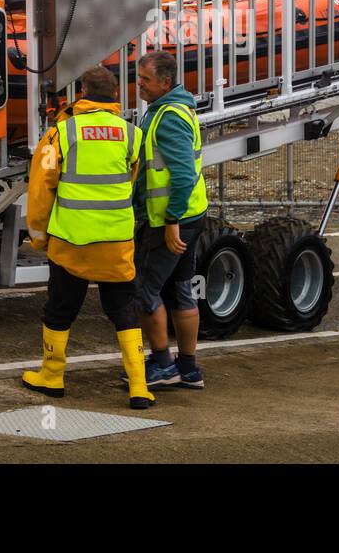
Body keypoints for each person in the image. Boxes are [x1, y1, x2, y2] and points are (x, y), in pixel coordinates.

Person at [21, 66, 155, 409]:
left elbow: (40, 192)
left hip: (72, 242)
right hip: (117, 242)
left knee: (61, 309)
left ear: (81, 93)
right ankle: (139, 386)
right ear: (115, 96)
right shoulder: (132, 134)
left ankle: (52, 376)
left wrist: (38, 238)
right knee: (124, 309)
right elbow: (138, 181)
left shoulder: (62, 134)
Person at [131, 49, 209, 390]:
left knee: (146, 290)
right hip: (191, 215)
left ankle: (163, 364)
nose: (139, 86)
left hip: (171, 220)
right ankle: (188, 368)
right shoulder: (175, 108)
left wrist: (172, 220)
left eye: (145, 80)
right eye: (138, 78)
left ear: (165, 82)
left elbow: (182, 174)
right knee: (180, 288)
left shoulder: (170, 117)